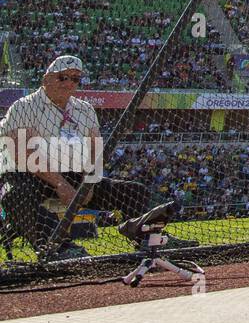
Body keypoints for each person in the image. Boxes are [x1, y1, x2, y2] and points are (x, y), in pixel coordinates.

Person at [0, 56, 152, 258]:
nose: (70, 83)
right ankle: (57, 248)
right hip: (24, 174)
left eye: (75, 79)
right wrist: (61, 184)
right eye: (63, 77)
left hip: (72, 173)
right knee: (16, 195)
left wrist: (89, 181)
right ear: (47, 79)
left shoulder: (84, 109)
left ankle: (148, 238)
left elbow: (95, 149)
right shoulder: (24, 106)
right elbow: (25, 155)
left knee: (134, 191)